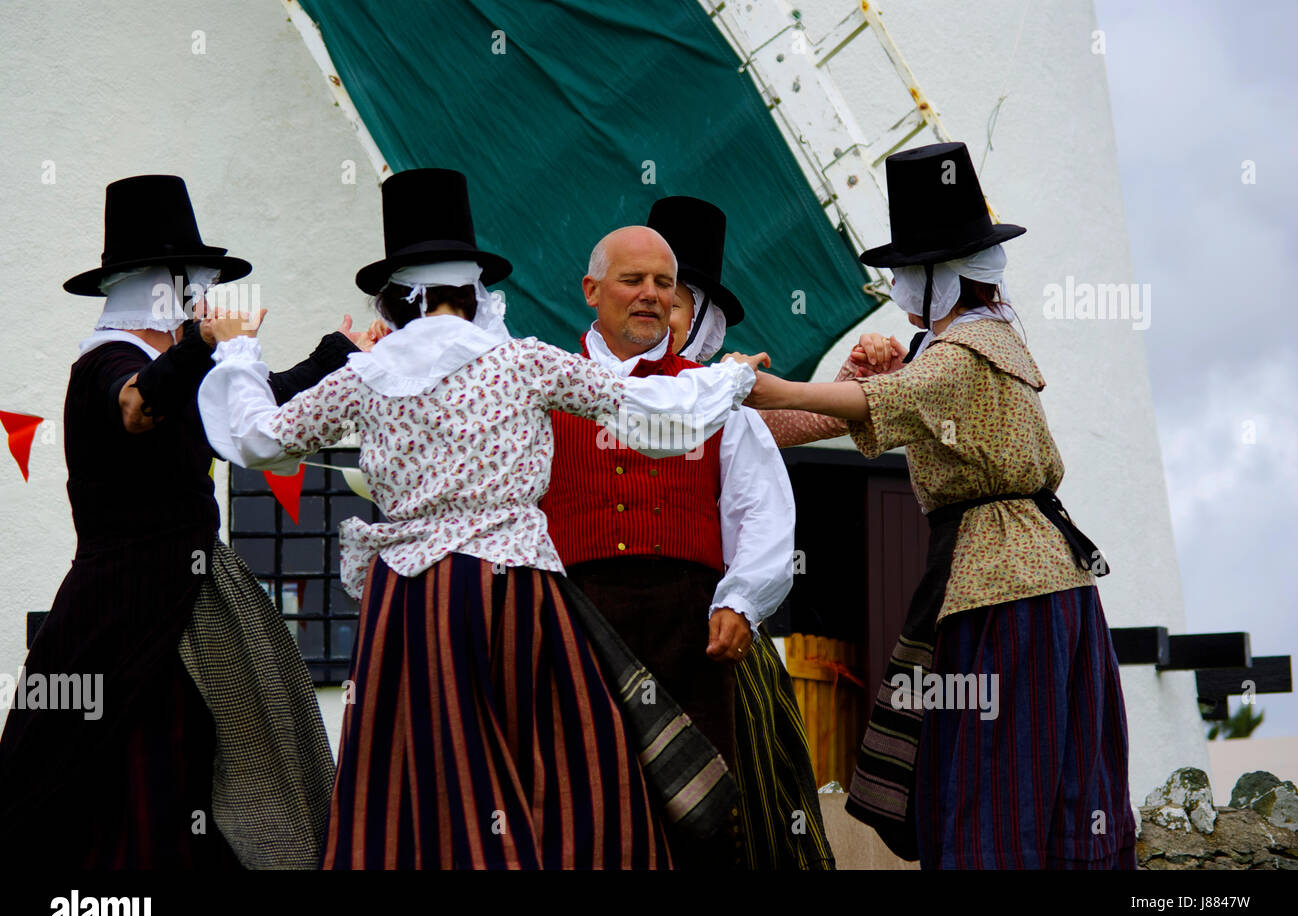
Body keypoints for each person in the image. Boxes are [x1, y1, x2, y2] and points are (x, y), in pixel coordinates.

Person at [198, 168, 766, 869]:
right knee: (559, 773)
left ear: (397, 295)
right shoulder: (522, 363)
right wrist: (730, 376)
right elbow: (652, 412)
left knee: (422, 778)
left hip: (414, 601)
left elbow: (255, 438)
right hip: (516, 593)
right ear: (472, 291)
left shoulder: (365, 375)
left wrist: (237, 350)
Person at [740, 142, 1136, 869]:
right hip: (1046, 586)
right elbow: (829, 420)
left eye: (901, 274)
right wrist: (738, 418)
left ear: (935, 276)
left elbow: (853, 403)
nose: (895, 287)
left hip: (1004, 589)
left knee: (995, 783)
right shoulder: (968, 345)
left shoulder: (965, 351)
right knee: (1066, 791)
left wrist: (760, 388)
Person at [0, 175, 361, 868]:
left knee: (223, 766)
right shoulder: (106, 365)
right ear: (156, 286)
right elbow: (138, 408)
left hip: (197, 598)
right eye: (191, 285)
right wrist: (201, 342)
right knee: (125, 776)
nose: (203, 298)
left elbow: (261, 407)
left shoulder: (175, 368)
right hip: (122, 611)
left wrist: (335, 356)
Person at [631, 195, 834, 870]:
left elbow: (762, 516)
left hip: (713, 635)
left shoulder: (726, 409)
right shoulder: (590, 392)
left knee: (741, 816)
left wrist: (739, 600)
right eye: (643, 287)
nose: (655, 306)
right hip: (615, 639)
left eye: (673, 295)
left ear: (703, 321)